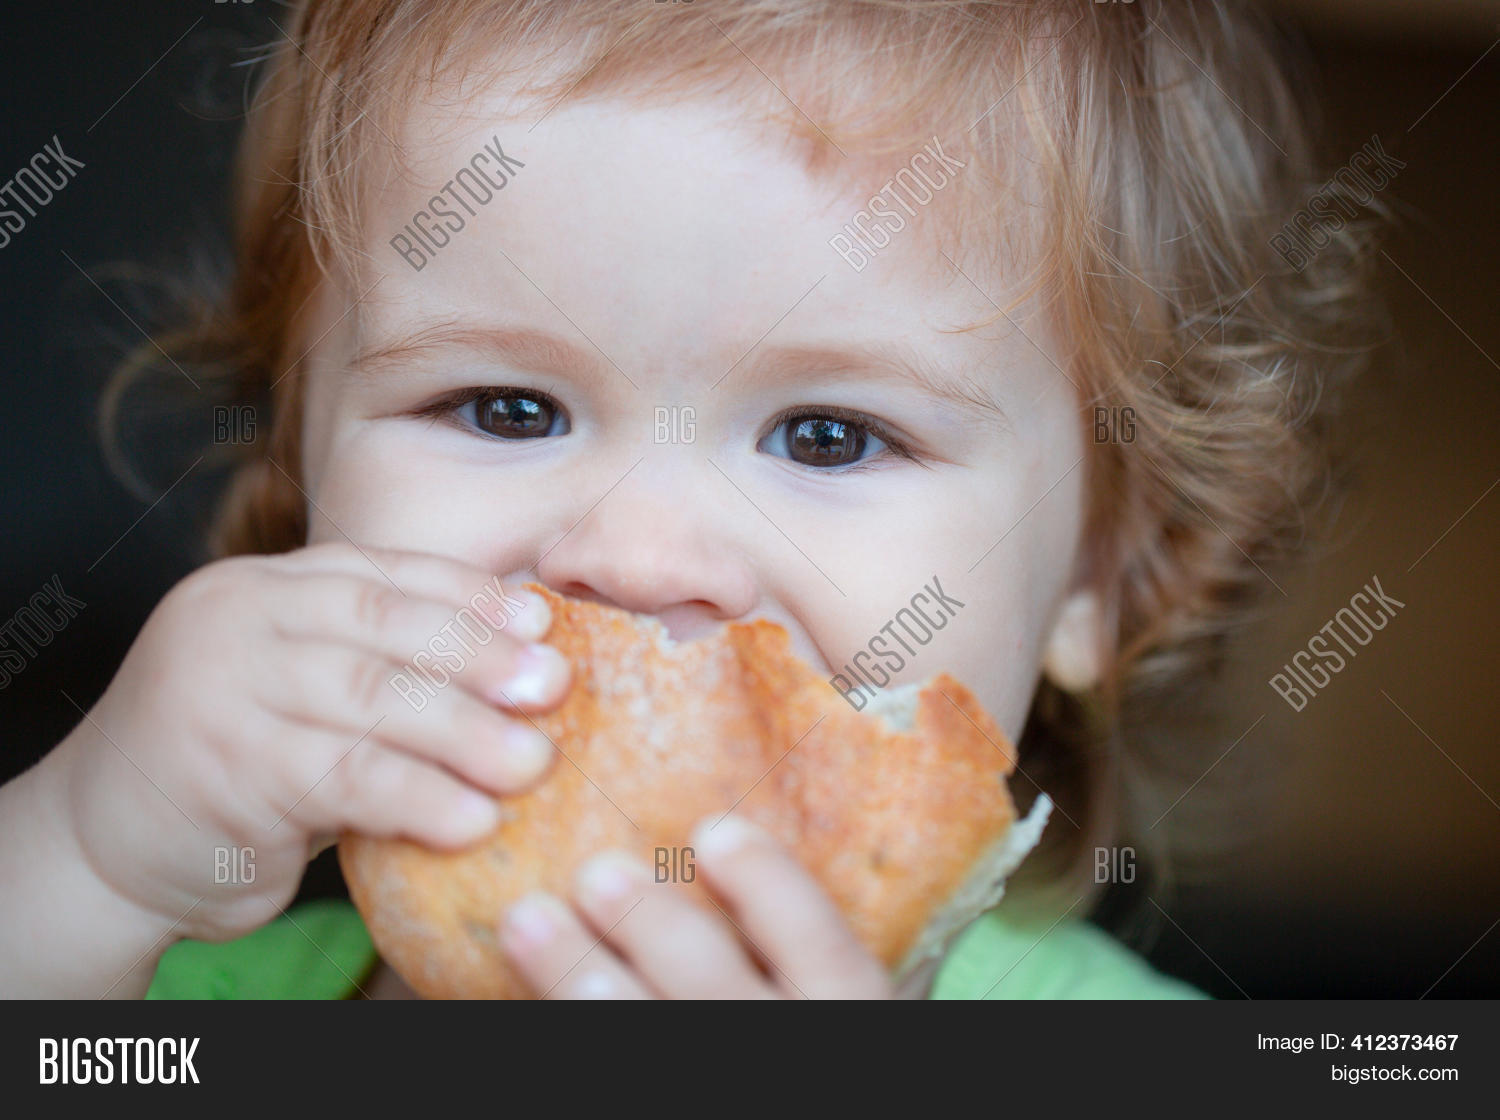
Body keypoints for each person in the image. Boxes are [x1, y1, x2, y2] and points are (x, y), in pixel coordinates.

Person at [0, 0, 1379, 999]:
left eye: (830, 436)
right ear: (305, 484)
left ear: (1107, 575)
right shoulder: (184, 996)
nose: (642, 558)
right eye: (506, 409)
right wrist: (79, 861)